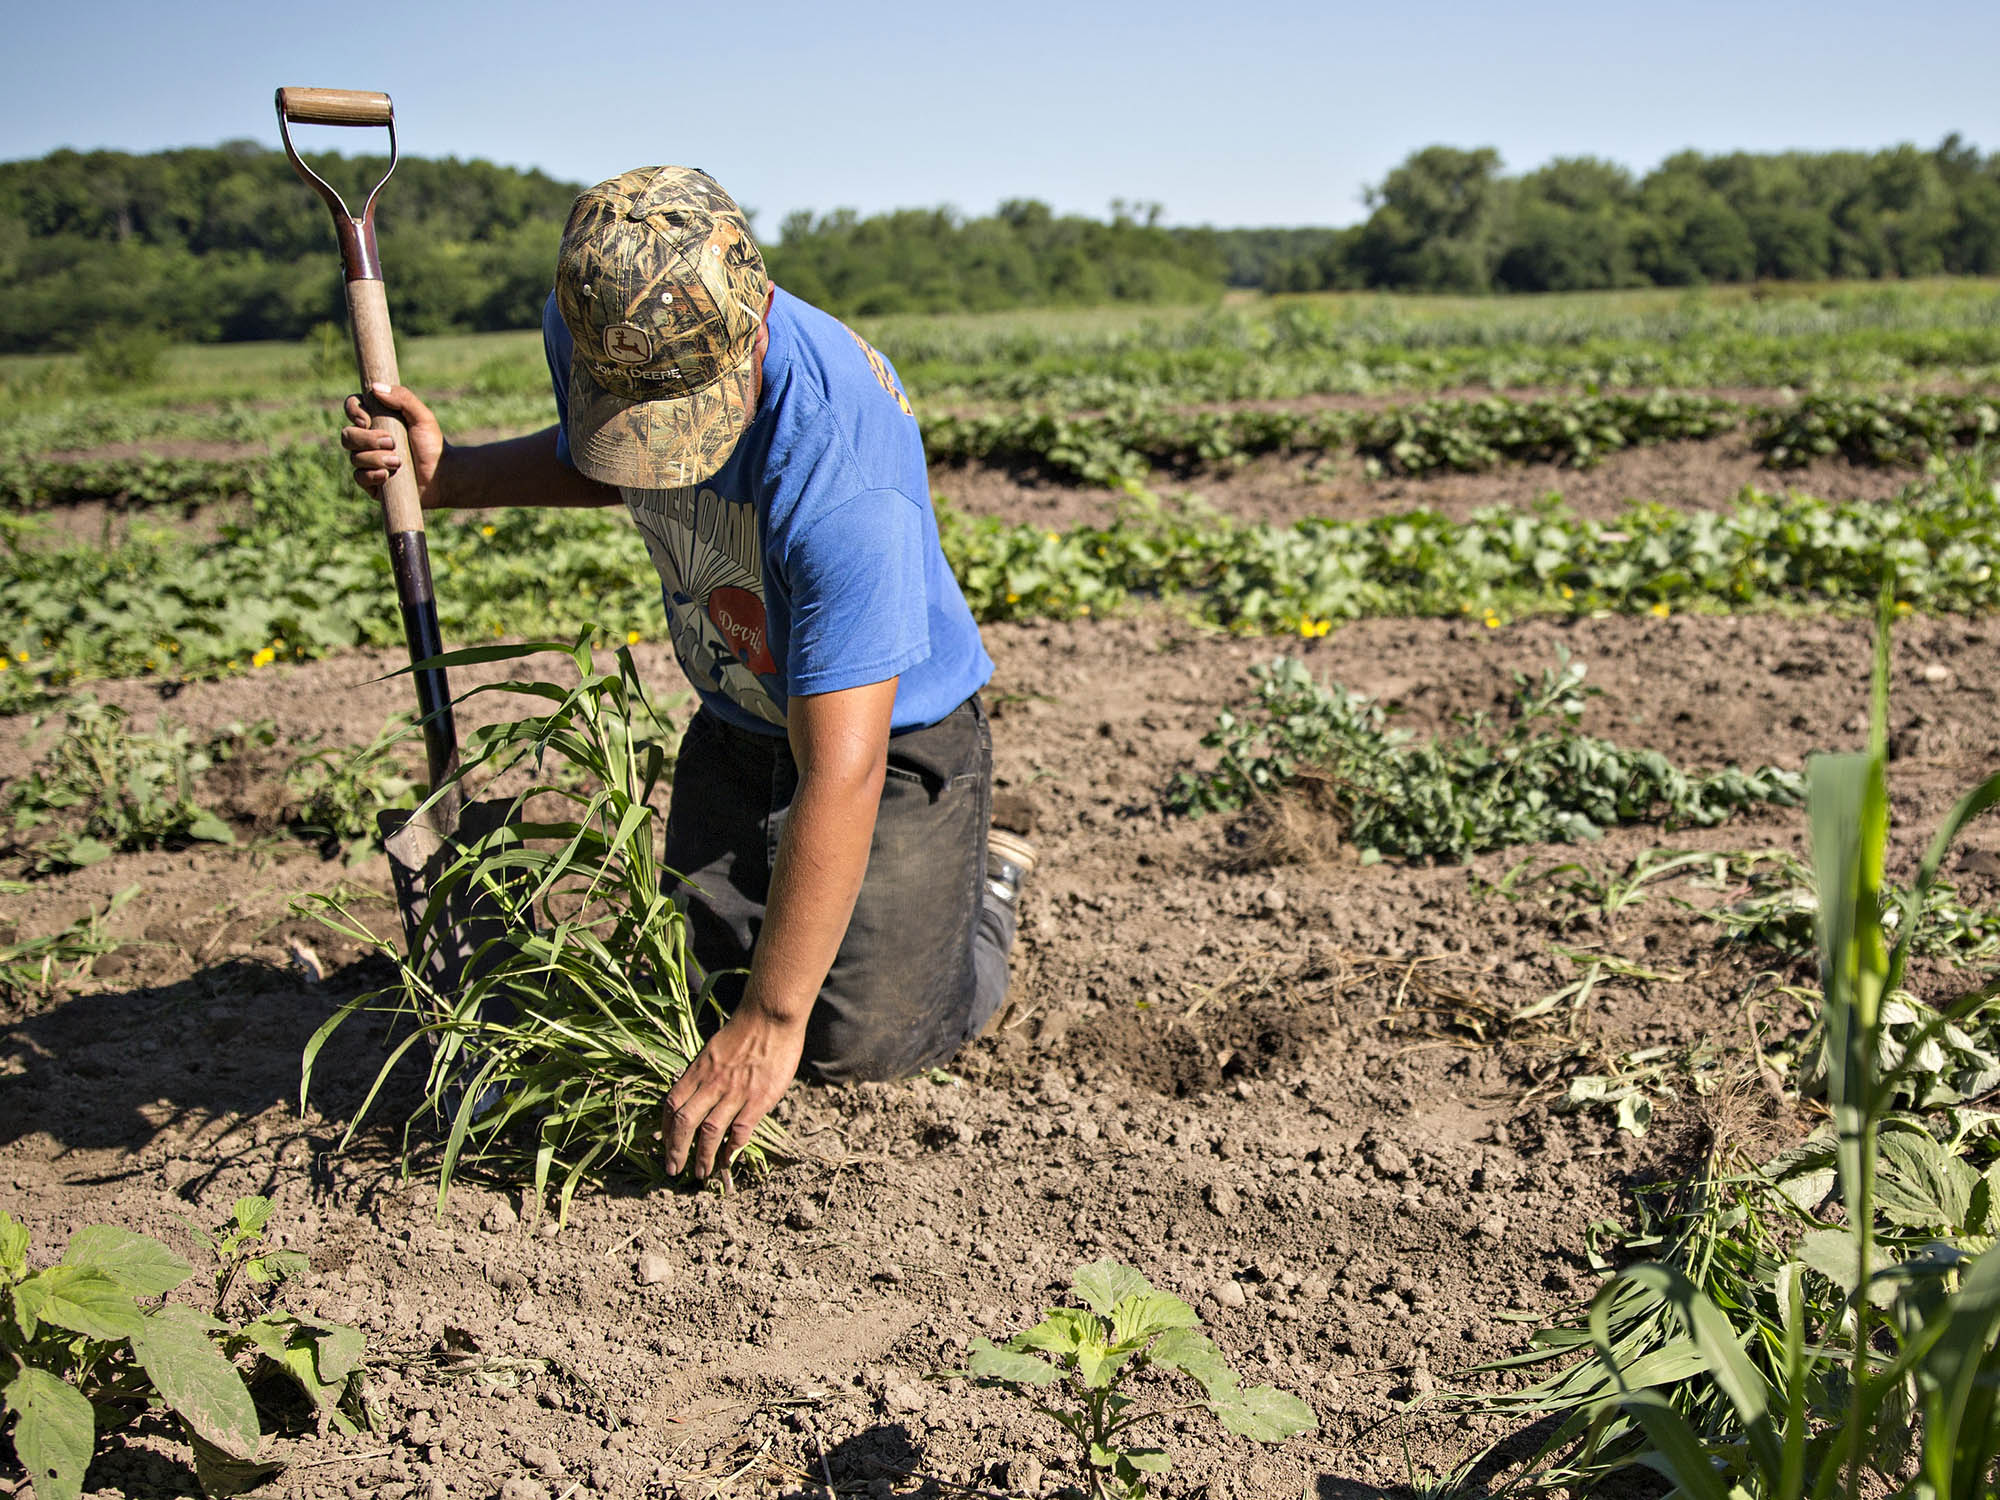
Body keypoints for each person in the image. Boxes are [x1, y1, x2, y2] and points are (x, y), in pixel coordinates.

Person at [341, 165, 1034, 1182]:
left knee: (852, 1042)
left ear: (752, 335)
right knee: (694, 998)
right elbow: (616, 453)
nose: (669, 448)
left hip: (888, 748)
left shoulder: (842, 466)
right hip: (739, 713)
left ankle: (984, 898)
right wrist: (459, 477)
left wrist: (772, 1017)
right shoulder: (595, 318)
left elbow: (840, 772)